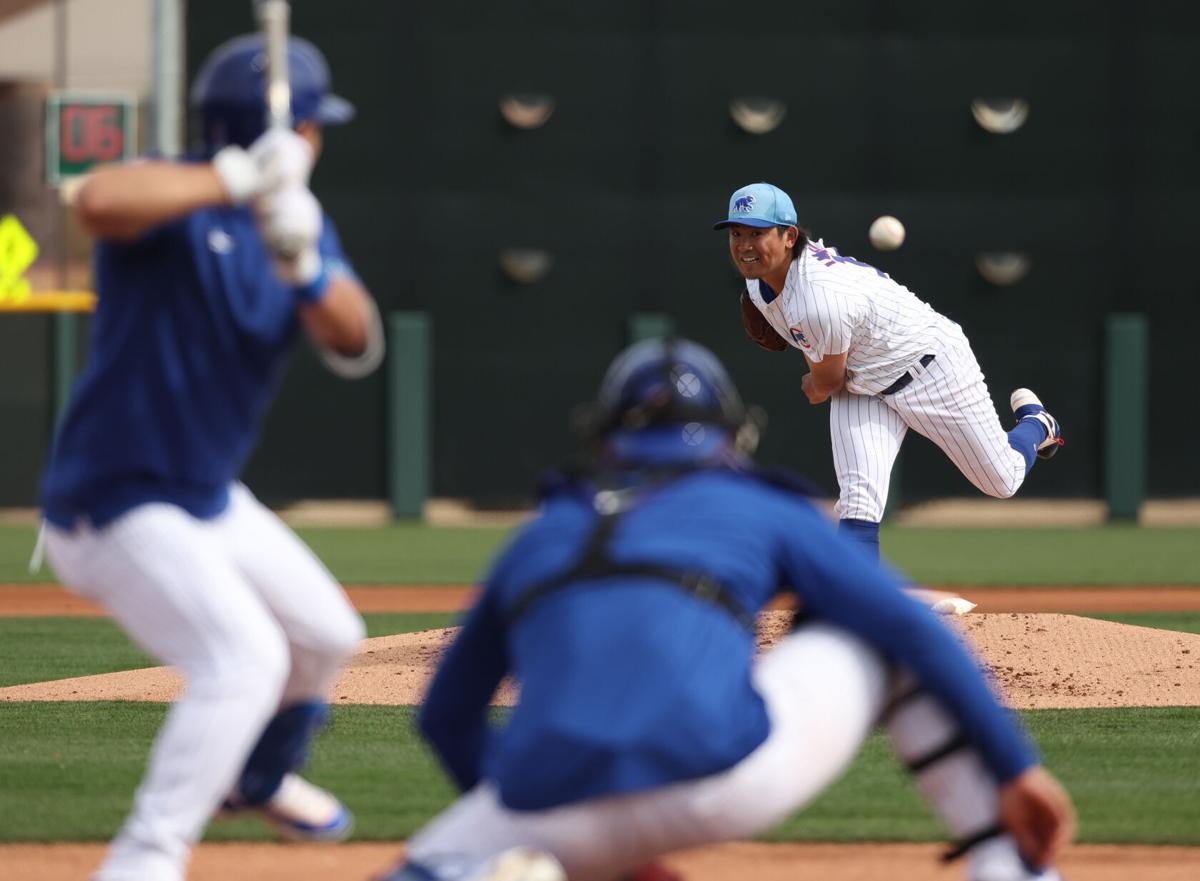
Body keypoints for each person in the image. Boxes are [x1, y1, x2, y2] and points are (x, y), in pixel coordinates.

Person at [376, 339, 1075, 881]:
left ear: (605, 440)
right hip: (720, 777)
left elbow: (444, 716)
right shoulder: (758, 505)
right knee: (870, 634)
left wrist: (543, 813)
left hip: (545, 801)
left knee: (430, 861)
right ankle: (1008, 864)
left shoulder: (539, 535)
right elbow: (910, 626)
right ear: (732, 438)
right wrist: (1016, 767)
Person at [39, 33, 384, 881]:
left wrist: (302, 261)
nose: (318, 143)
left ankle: (256, 777)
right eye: (314, 126)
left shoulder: (293, 220)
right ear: (279, 130)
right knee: (242, 660)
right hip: (112, 500)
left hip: (204, 494)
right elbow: (99, 201)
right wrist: (233, 179)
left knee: (328, 634)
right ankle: (143, 861)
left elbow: (355, 338)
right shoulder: (173, 199)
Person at [716, 182, 1063, 559]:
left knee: (1003, 480)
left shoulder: (819, 299)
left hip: (930, 366)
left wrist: (811, 382)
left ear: (789, 236)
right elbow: (831, 366)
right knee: (858, 502)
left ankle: (1039, 425)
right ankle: (856, 605)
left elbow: (825, 383)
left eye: (757, 233)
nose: (744, 245)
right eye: (736, 233)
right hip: (863, 381)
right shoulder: (758, 282)